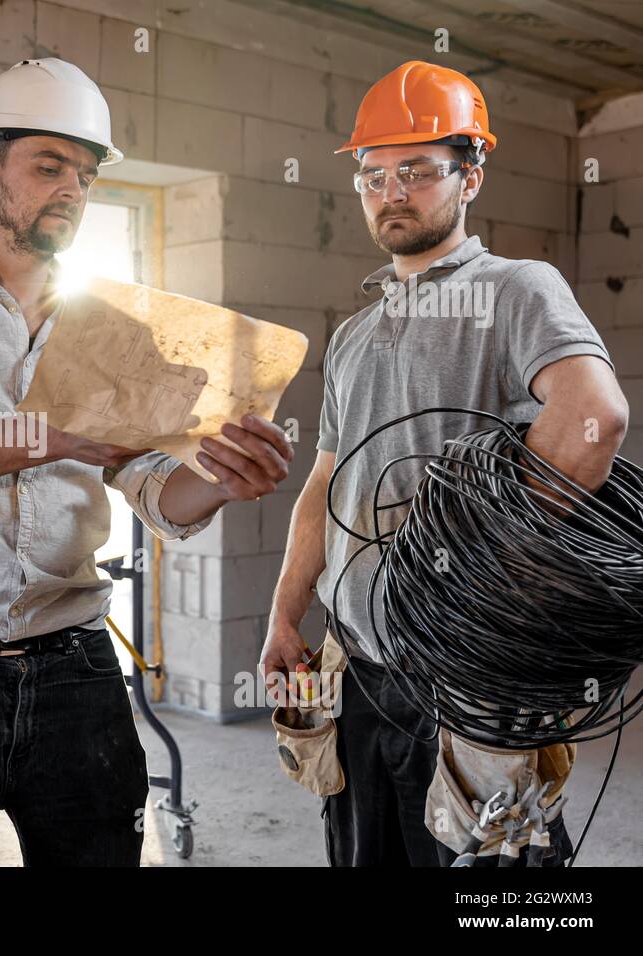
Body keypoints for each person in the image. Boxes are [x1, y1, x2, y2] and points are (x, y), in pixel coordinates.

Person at [0, 57, 294, 866]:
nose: (71, 190)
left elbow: (155, 491)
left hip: (73, 664)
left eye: (84, 174)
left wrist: (219, 479)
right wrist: (55, 434)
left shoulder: (114, 329)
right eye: (49, 166)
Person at [261, 60, 629, 866]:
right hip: (358, 670)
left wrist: (472, 580)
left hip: (472, 688)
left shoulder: (517, 290)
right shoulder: (355, 337)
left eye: (419, 170)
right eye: (374, 174)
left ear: (470, 176)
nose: (392, 192)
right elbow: (327, 483)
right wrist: (288, 615)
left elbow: (592, 416)